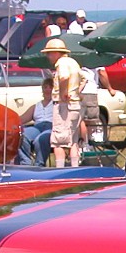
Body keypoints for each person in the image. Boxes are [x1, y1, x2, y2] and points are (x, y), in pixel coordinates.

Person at [42, 38, 86, 167]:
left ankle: (59, 169)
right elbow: (84, 78)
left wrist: (63, 93)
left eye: (49, 53)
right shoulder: (73, 62)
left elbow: (64, 77)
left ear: (56, 52)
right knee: (73, 140)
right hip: (75, 104)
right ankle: (74, 168)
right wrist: (77, 91)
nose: (48, 56)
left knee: (58, 141)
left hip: (64, 105)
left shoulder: (61, 63)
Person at [18, 75, 53, 165]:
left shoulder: (57, 104)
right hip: (37, 126)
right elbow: (23, 118)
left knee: (40, 139)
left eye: (50, 87)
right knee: (22, 135)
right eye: (45, 87)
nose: (48, 90)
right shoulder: (36, 106)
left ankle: (39, 165)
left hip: (51, 127)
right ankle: (25, 163)